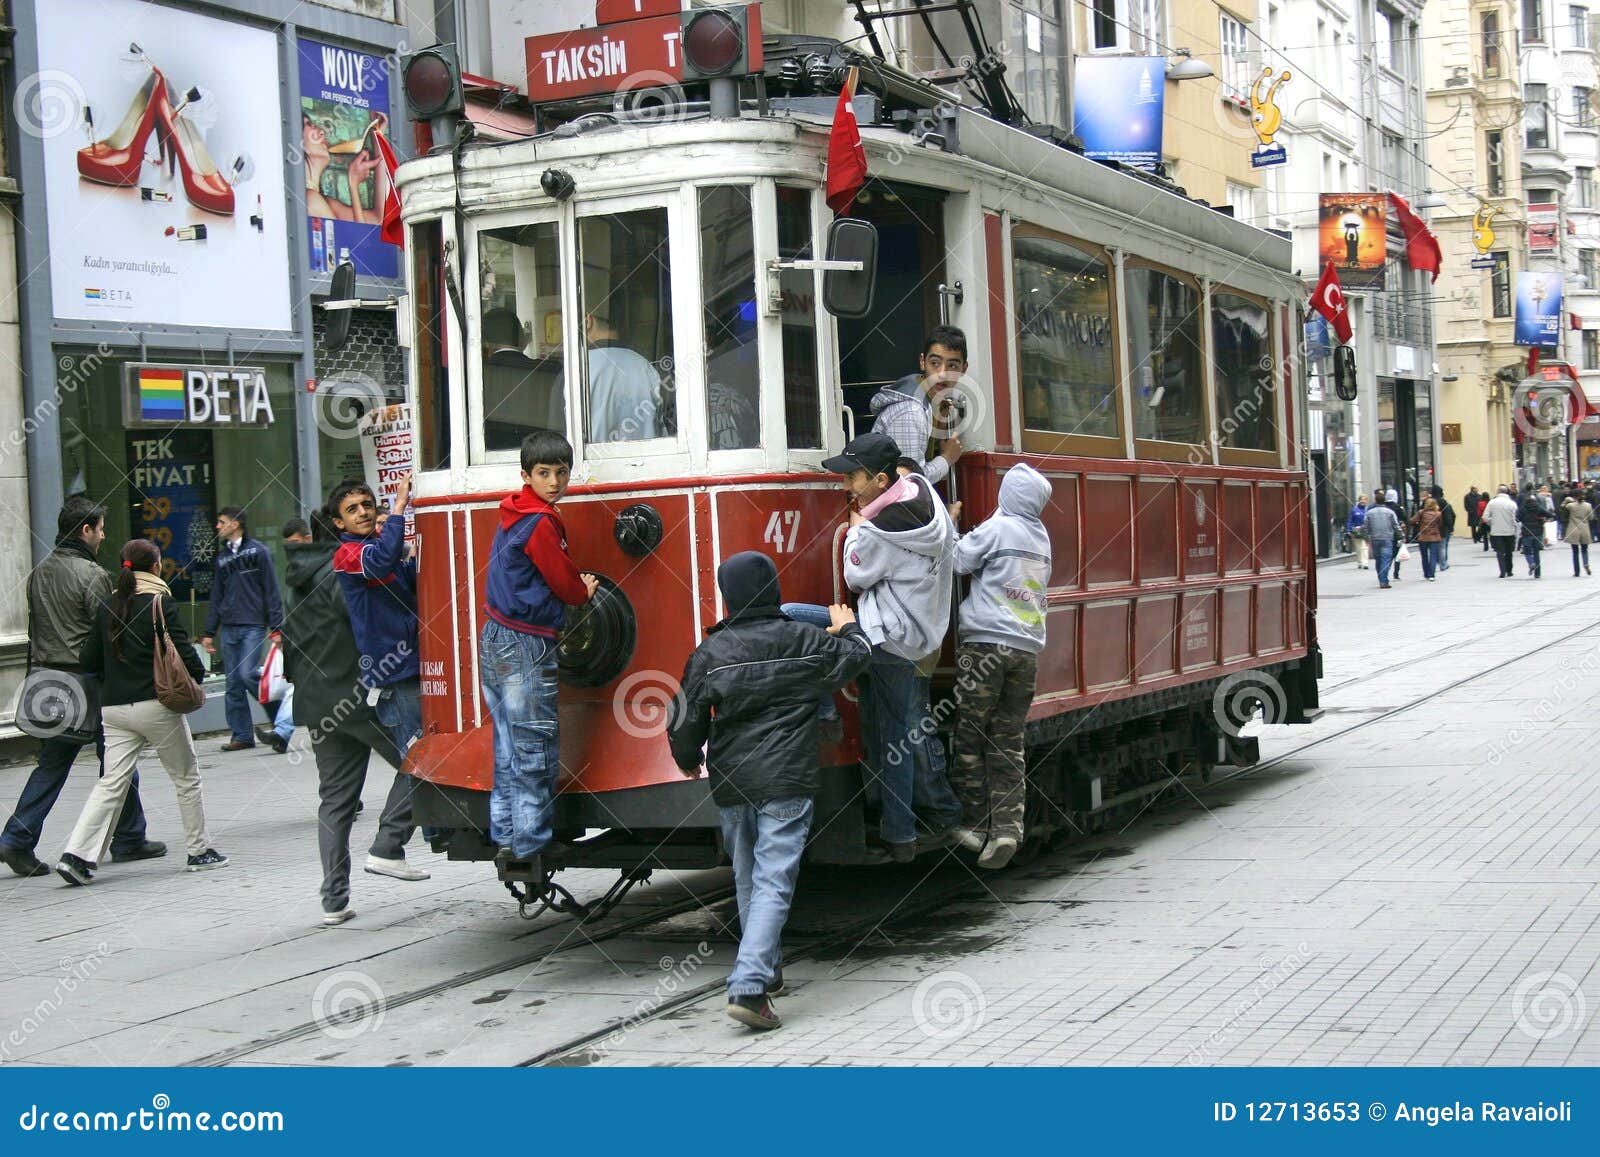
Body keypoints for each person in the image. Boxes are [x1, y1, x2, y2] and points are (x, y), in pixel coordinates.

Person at [667, 553, 872, 1032]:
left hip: (734, 781)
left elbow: (683, 721)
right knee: (773, 880)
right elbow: (859, 659)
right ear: (773, 590)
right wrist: (848, 627)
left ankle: (768, 968)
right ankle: (749, 986)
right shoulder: (803, 639)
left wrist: (686, 757)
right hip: (786, 778)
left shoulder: (710, 653)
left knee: (747, 877)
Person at [0, 500, 165, 878]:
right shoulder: (90, 574)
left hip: (49, 680)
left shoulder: (40, 572)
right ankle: (126, 838)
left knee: (56, 763)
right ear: (86, 531)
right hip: (87, 681)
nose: (104, 535)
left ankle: (19, 839)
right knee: (117, 757)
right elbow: (107, 631)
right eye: (101, 528)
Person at [283, 507, 427, 925]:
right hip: (355, 695)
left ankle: (334, 899)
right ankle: (387, 845)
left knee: (335, 800)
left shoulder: (298, 576)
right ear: (339, 531)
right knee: (420, 762)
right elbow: (368, 622)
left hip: (316, 699)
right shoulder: (343, 571)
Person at [826, 431, 965, 861]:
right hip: (919, 635)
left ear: (882, 481)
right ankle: (900, 833)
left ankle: (901, 833)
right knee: (896, 736)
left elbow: (854, 578)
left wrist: (856, 530)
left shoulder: (876, 532)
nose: (848, 486)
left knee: (793, 616)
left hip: (886, 637)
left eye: (854, 477)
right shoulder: (925, 497)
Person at [54, 539, 225, 885]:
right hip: (156, 705)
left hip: (114, 709)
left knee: (111, 782)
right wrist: (197, 675)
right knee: (186, 777)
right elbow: (179, 646)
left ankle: (76, 856)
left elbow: (88, 660)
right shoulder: (160, 602)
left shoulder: (108, 604)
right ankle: (199, 851)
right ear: (157, 566)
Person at [481, 429, 598, 864]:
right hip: (525, 642)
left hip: (493, 635)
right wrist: (582, 591)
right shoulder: (542, 521)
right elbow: (562, 581)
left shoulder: (513, 511)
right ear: (526, 475)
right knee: (534, 743)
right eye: (544, 473)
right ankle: (533, 842)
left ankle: (508, 834)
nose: (554, 482)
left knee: (507, 745)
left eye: (560, 472)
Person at [948, 463, 1052, 870]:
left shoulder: (998, 528)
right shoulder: (1040, 537)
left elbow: (958, 561)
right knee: (1008, 742)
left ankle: (973, 825)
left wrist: (951, 526)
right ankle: (1008, 829)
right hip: (1025, 652)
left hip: (986, 646)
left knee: (970, 736)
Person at [331, 477, 425, 771]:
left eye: (367, 505)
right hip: (395, 674)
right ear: (339, 522)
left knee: (423, 759)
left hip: (410, 664)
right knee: (418, 762)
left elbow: (405, 581)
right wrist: (399, 506)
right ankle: (411, 819)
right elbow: (381, 562)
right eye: (352, 509)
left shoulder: (374, 544)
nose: (363, 513)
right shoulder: (348, 555)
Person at [200, 506, 282, 752]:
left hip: (253, 625)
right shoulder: (222, 558)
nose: (217, 526)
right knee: (233, 684)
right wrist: (208, 631)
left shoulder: (258, 551)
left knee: (247, 674)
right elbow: (217, 595)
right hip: (229, 627)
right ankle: (242, 735)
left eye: (221, 521)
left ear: (235, 524)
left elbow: (272, 590)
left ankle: (282, 719)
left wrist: (276, 626)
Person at [868, 325, 968, 485]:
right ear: (922, 362)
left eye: (952, 366)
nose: (942, 373)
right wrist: (947, 458)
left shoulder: (933, 402)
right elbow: (908, 482)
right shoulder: (912, 411)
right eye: (935, 363)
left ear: (964, 368)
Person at [256, 518, 312, 755]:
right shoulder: (297, 568)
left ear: (308, 539)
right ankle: (281, 733)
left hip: (324, 641)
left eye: (296, 542)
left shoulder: (315, 566)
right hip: (306, 639)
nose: (292, 548)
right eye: (288, 544)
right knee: (295, 687)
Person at [481, 307, 564, 449]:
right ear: (522, 337)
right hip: (540, 455)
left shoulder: (478, 376)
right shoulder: (552, 370)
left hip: (490, 456)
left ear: (485, 342)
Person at [583, 310, 661, 443]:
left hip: (594, 461)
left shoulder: (578, 369)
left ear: (588, 321)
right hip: (646, 461)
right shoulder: (646, 367)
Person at [1363, 495, 1400, 589]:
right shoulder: (1390, 512)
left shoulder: (1369, 512)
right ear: (1384, 501)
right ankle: (1383, 580)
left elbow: (1365, 526)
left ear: (1375, 500)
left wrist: (1366, 536)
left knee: (1378, 560)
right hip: (1387, 538)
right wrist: (1401, 535)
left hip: (1375, 538)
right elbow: (1396, 525)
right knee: (1386, 560)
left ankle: (1382, 579)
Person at [1484, 485, 1519, 577]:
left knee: (1499, 552)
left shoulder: (1492, 503)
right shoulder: (1512, 503)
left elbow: (1485, 517)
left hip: (1496, 531)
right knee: (1509, 552)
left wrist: (1492, 522)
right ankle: (1509, 570)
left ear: (1498, 492)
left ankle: (1502, 571)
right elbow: (1515, 519)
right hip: (1509, 531)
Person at [1408, 498, 1444, 582]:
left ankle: (1426, 573)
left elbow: (1412, 521)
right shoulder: (1438, 514)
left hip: (1423, 537)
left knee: (1424, 557)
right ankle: (1432, 575)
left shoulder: (1421, 512)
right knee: (1433, 556)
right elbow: (1440, 524)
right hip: (1434, 537)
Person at [1518, 489, 1550, 578]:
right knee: (1537, 552)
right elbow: (1550, 514)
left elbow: (1517, 518)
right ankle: (1538, 573)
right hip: (1538, 533)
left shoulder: (1523, 509)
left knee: (1527, 551)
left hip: (1527, 532)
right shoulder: (1538, 508)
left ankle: (1531, 563)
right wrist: (1543, 519)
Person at [1563, 490, 1594, 577]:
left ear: (1574, 497)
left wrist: (1567, 500)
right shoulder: (1588, 505)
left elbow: (1562, 507)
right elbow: (1591, 517)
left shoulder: (1571, 505)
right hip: (1584, 530)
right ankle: (1586, 564)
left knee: (1575, 552)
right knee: (1584, 550)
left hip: (1573, 530)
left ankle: (1577, 572)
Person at [1428, 485, 1456, 572]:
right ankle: (1443, 564)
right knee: (1442, 547)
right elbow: (1451, 516)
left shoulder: (1427, 502)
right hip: (1443, 528)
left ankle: (1434, 562)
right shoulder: (1444, 502)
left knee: (1432, 547)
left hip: (1429, 528)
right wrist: (1450, 527)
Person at [1382, 489, 1406, 581]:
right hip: (1396, 533)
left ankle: (1385, 572)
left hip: (1385, 532)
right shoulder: (1397, 507)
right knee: (1397, 554)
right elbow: (1405, 518)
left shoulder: (1383, 506)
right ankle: (1396, 573)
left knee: (1387, 555)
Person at [1346, 495, 1370, 569]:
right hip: (1357, 531)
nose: (1363, 501)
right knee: (1359, 547)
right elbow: (1350, 520)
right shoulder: (1354, 510)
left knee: (1365, 547)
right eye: (1361, 499)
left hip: (1365, 531)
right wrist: (1349, 530)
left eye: (1364, 500)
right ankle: (1360, 562)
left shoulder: (1368, 510)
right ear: (1359, 500)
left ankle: (1365, 563)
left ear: (1366, 501)